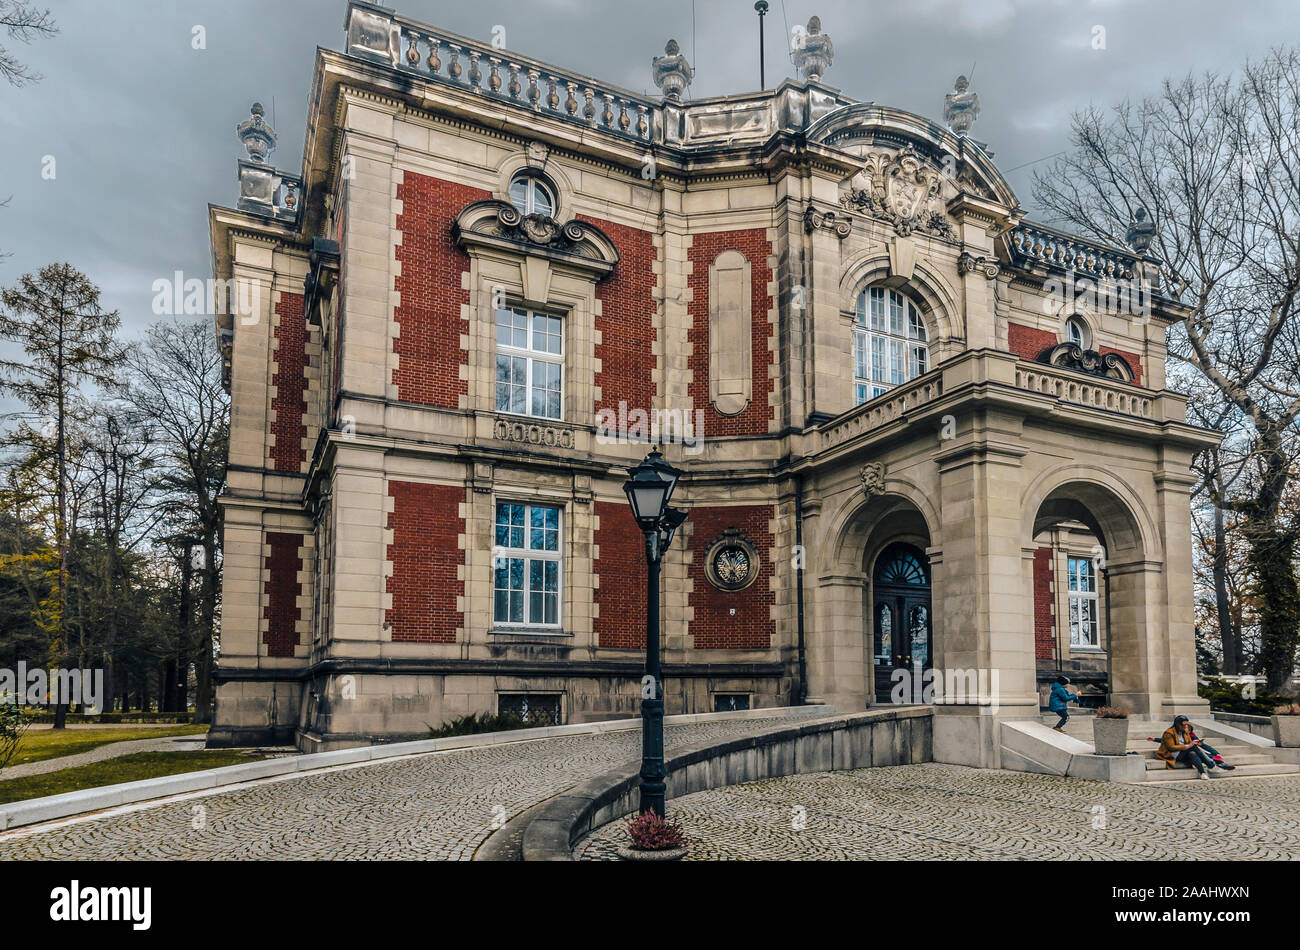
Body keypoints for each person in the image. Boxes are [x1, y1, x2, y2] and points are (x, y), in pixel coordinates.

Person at [1154, 715, 1219, 779]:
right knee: (1193, 748)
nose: (1186, 726)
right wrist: (1188, 746)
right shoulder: (1169, 733)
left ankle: (1202, 773)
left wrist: (1194, 743)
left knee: (1192, 753)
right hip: (1172, 754)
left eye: (1187, 724)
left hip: (1184, 753)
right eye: (1184, 725)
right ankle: (1211, 765)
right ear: (1177, 724)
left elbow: (1189, 742)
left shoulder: (1185, 731)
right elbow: (1171, 747)